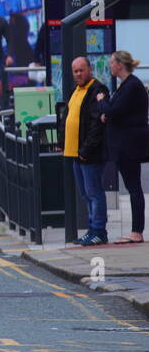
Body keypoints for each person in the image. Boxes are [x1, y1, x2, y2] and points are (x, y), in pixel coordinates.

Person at [59, 56, 110, 245]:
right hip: (75, 153)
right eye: (75, 71)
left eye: (82, 70)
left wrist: (86, 150)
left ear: (90, 69)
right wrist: (63, 142)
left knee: (94, 192)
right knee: (85, 194)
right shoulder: (76, 90)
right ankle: (91, 230)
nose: (78, 74)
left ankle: (99, 231)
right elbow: (67, 117)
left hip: (89, 154)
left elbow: (97, 125)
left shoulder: (97, 90)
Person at [97, 50, 147, 244]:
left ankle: (137, 231)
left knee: (134, 187)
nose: (110, 66)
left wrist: (102, 103)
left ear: (120, 64)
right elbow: (114, 111)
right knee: (132, 185)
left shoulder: (131, 86)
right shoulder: (125, 86)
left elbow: (113, 110)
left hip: (129, 145)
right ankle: (136, 231)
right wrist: (107, 111)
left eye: (111, 63)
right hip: (125, 144)